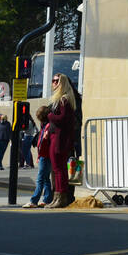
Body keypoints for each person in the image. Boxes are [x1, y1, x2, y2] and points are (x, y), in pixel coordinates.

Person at [44, 74, 79, 208]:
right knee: (57, 168)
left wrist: (50, 115)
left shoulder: (64, 100)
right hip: (56, 136)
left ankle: (61, 197)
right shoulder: (61, 99)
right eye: (52, 80)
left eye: (56, 81)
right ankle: (57, 196)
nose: (53, 83)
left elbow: (62, 118)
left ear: (62, 83)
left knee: (59, 169)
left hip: (60, 138)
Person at [24, 105, 54, 208]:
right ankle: (47, 199)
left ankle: (34, 201)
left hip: (45, 156)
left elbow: (44, 142)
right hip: (45, 155)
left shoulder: (47, 126)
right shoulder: (45, 125)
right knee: (45, 179)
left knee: (40, 179)